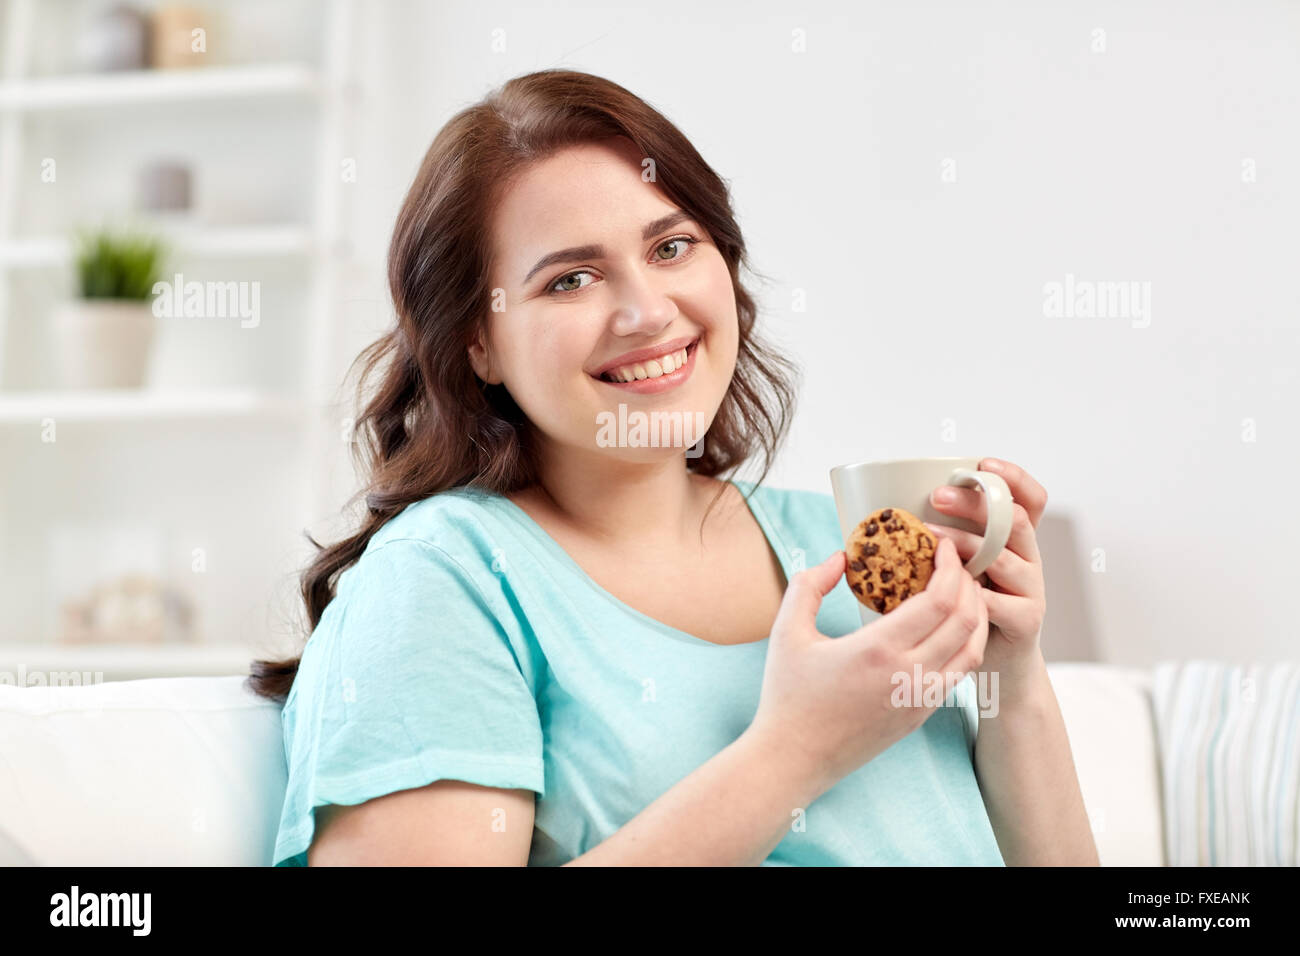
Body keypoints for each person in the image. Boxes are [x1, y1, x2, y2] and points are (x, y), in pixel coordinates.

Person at [249, 68, 1097, 867]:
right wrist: (793, 753)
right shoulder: (443, 580)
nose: (647, 312)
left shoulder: (842, 544)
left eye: (670, 247)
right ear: (477, 342)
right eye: (571, 279)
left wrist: (1008, 678)